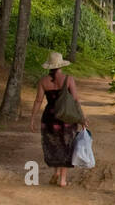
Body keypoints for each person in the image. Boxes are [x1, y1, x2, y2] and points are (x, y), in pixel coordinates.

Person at [30, 51, 87, 187]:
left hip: (50, 116)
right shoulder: (69, 79)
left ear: (49, 66)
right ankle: (62, 179)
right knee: (66, 146)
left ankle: (55, 172)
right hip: (66, 117)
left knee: (54, 144)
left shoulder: (43, 81)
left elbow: (38, 100)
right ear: (61, 65)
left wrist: (32, 118)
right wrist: (82, 118)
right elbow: (75, 100)